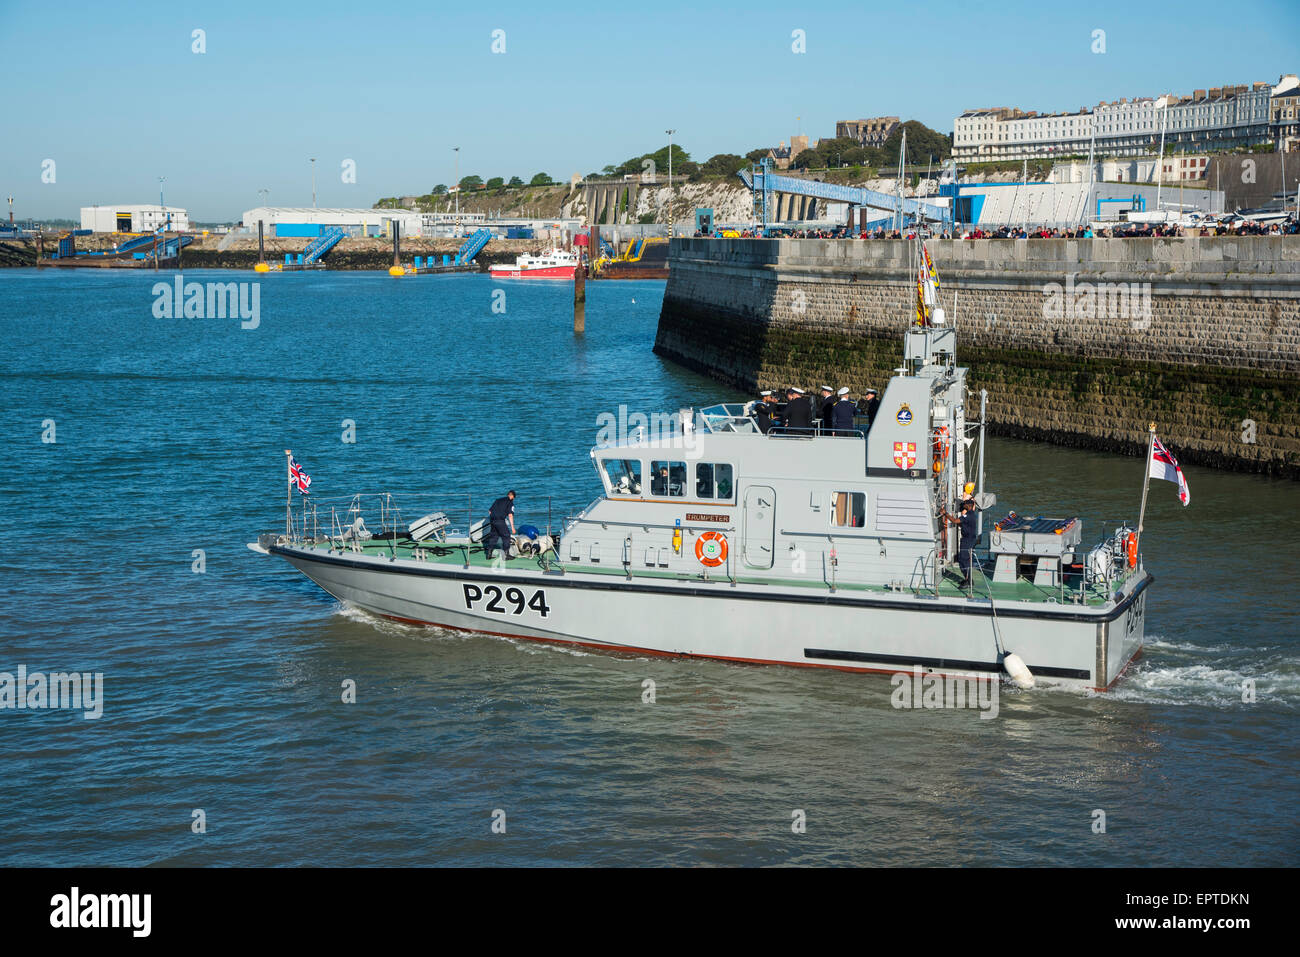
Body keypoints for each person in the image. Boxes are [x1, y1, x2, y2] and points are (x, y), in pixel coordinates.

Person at [943, 498, 980, 589]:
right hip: (968, 540)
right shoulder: (971, 515)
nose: (963, 505)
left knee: (964, 560)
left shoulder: (968, 515)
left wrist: (945, 513)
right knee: (964, 560)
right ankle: (967, 579)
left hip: (967, 541)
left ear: (969, 505)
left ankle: (969, 581)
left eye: (965, 504)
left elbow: (955, 521)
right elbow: (962, 524)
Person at [483, 490, 517, 560]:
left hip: (492, 520)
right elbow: (510, 515)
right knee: (506, 535)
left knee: (494, 536)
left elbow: (490, 511)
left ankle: (489, 554)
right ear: (513, 497)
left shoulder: (498, 500)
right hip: (500, 520)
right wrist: (513, 527)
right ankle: (506, 555)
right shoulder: (510, 502)